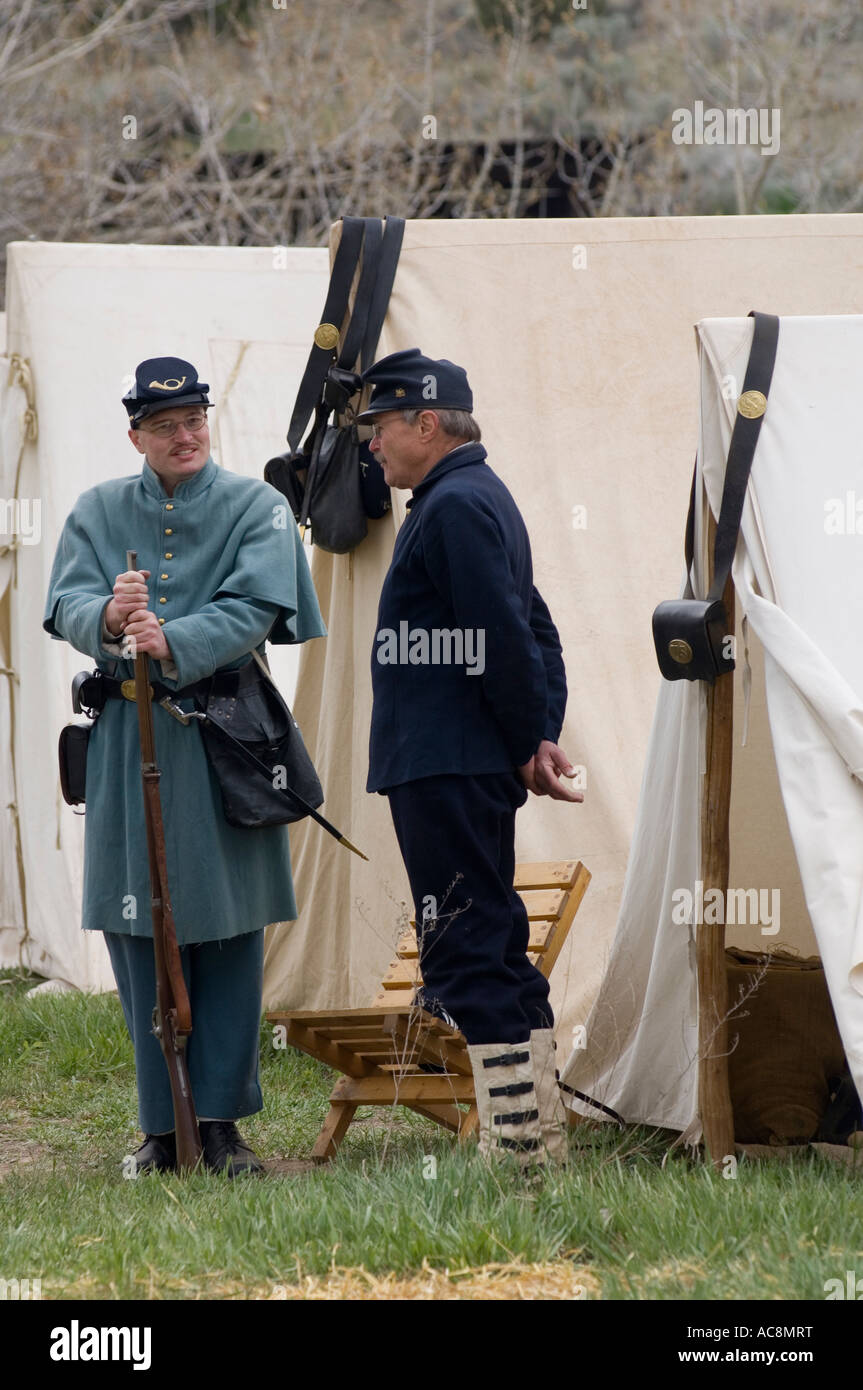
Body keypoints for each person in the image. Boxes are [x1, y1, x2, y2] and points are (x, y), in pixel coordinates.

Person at [43, 357, 325, 1176]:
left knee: (230, 928)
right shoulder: (97, 510)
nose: (184, 435)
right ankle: (162, 1129)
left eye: (195, 420)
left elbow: (262, 606)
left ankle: (224, 1124)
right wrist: (108, 614)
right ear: (136, 434)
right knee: (140, 929)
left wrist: (177, 636)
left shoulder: (257, 507)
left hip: (224, 741)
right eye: (165, 426)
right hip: (126, 748)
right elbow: (63, 603)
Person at [359, 348, 582, 1168]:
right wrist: (533, 735)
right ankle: (537, 1143)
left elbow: (502, 639)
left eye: (379, 426)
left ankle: (521, 1155)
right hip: (456, 759)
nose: (371, 444)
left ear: (425, 421)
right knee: (487, 939)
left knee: (464, 946)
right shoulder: (469, 497)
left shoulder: (454, 504)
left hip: (445, 762)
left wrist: (528, 739)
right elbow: (536, 633)